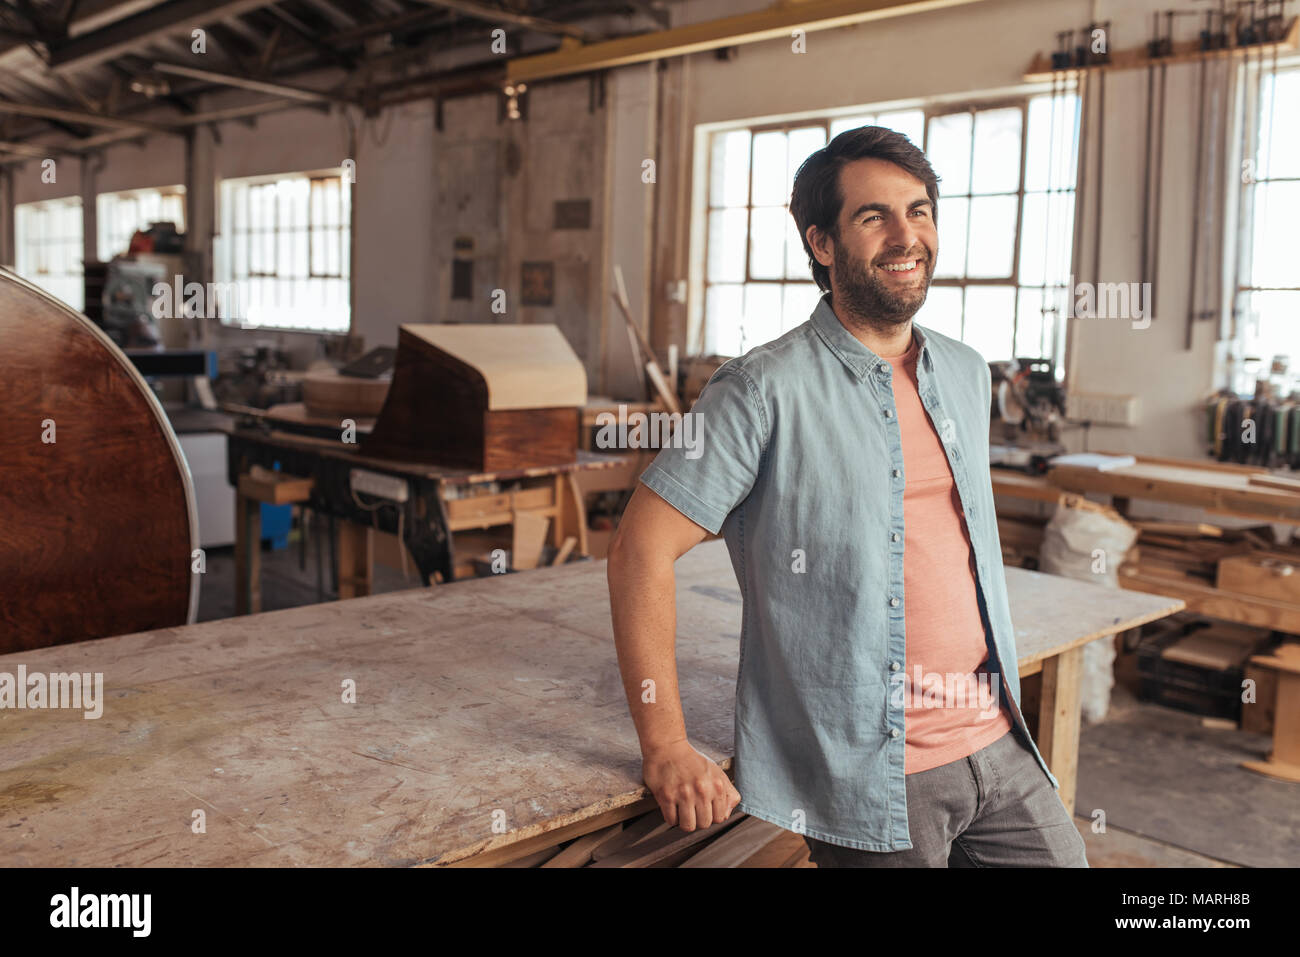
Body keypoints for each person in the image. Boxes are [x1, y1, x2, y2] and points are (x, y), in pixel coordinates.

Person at [605, 126, 1088, 867]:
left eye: (920, 210)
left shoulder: (962, 370)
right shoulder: (761, 390)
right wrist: (666, 742)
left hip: (998, 737)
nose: (907, 235)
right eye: (875, 216)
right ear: (823, 242)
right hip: (874, 771)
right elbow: (640, 549)